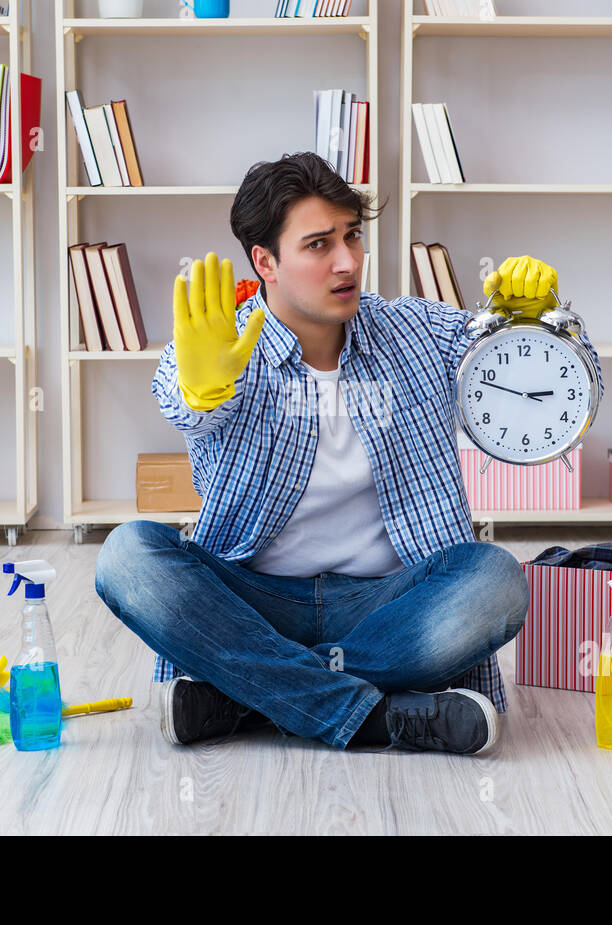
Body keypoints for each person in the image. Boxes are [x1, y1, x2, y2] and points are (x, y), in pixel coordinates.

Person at [94, 151, 566, 755]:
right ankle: (377, 717)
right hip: (255, 601)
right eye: (318, 245)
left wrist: (545, 323)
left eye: (352, 237)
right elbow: (180, 401)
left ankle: (248, 694)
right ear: (265, 261)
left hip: (389, 604)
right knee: (127, 555)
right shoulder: (218, 347)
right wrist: (198, 392)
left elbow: (560, 389)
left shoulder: (419, 330)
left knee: (495, 579)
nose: (347, 262)